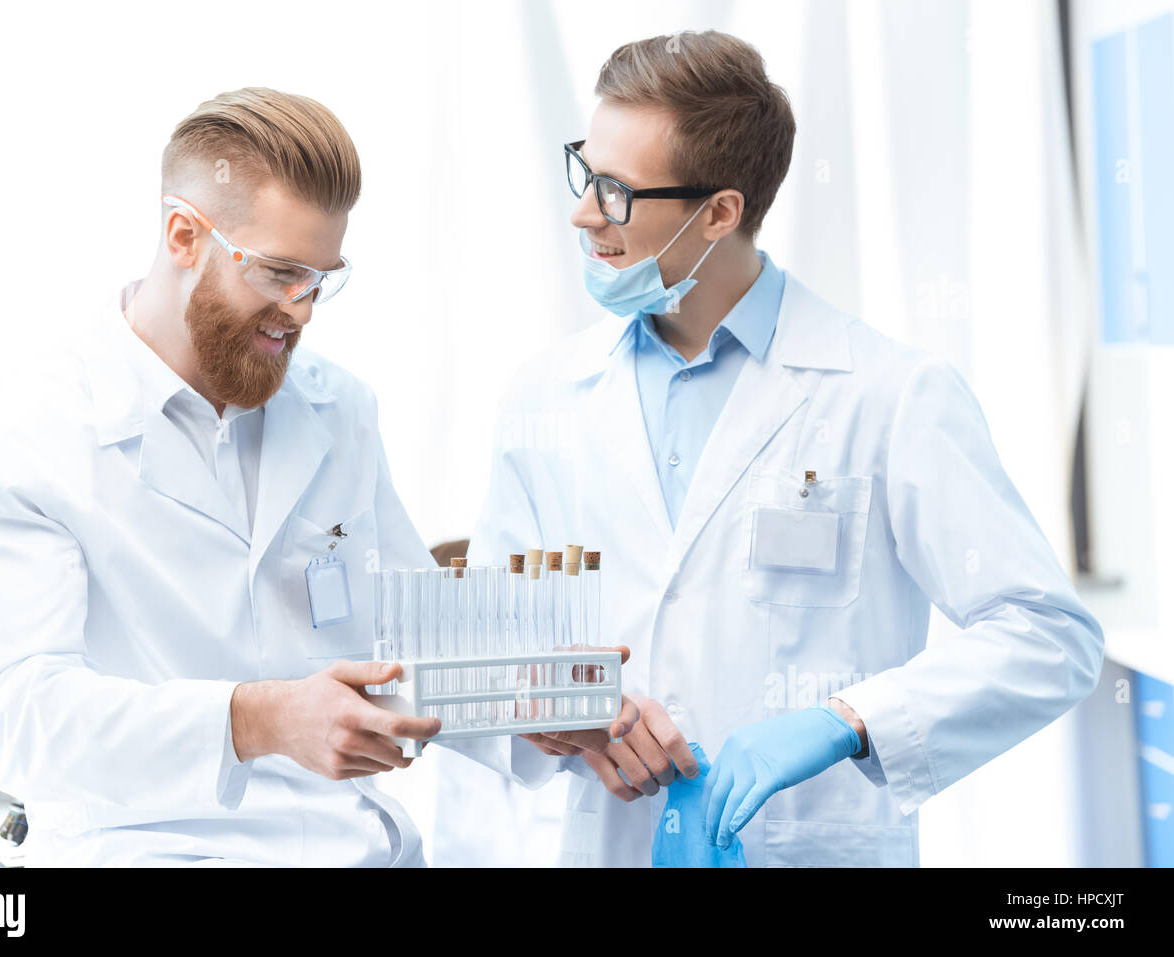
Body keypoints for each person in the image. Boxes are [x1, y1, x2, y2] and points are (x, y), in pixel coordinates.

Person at [440, 30, 1105, 867]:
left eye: (617, 193)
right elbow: (481, 660)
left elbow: (1048, 635)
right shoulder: (545, 398)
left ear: (720, 213)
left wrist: (847, 720)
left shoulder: (889, 394)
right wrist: (555, 710)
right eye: (586, 173)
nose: (583, 213)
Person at [0, 87, 632, 866]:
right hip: (149, 849)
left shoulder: (338, 409)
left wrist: (522, 702)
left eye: (321, 278)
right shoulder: (19, 437)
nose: (301, 311)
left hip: (357, 846)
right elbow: (16, 716)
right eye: (279, 273)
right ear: (184, 235)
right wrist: (257, 719)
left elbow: (404, 640)